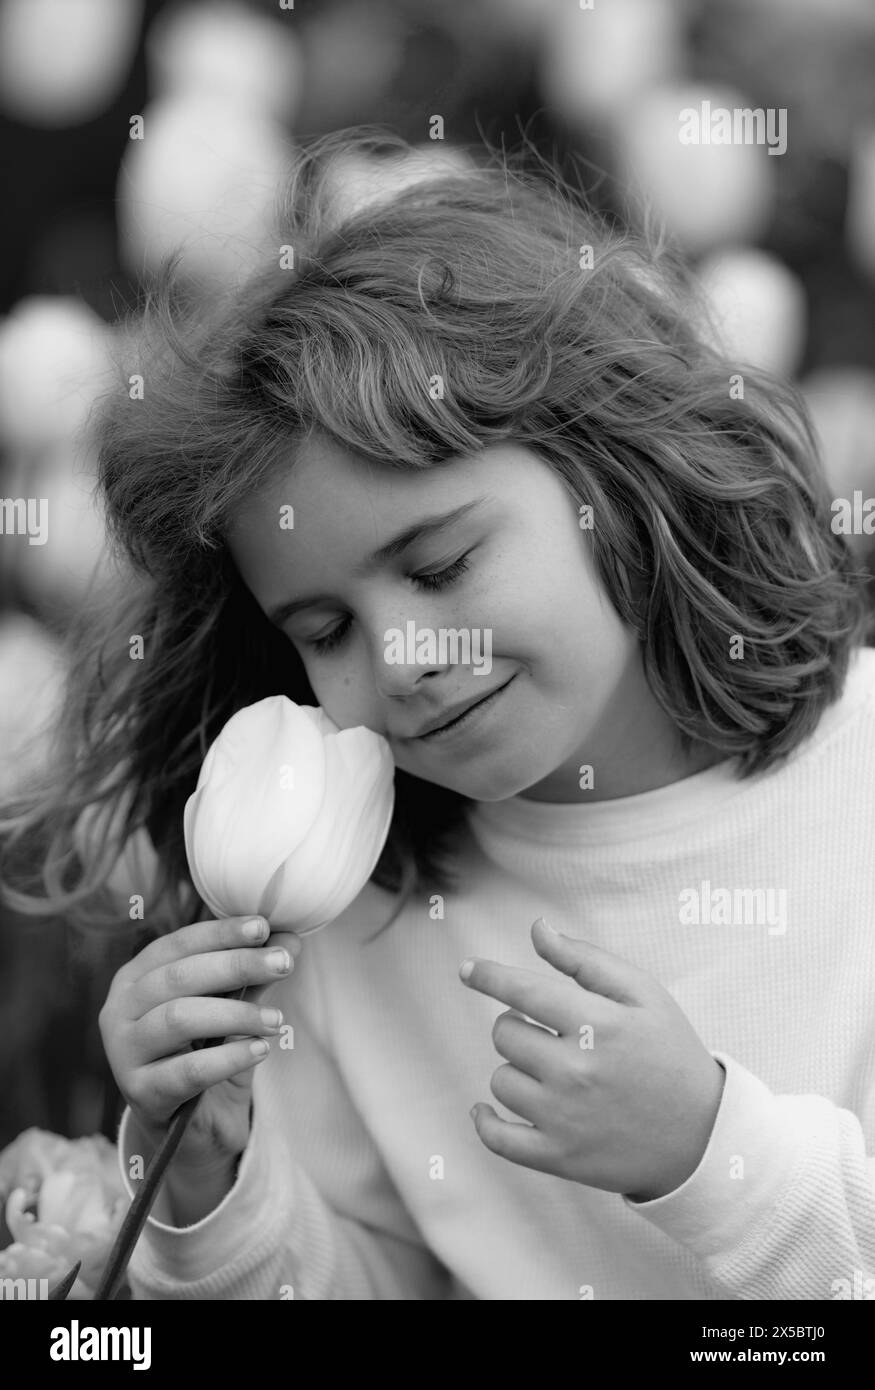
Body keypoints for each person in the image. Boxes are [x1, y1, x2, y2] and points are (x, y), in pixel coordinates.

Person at [2, 129, 874, 1300]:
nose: (405, 660)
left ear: (613, 477)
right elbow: (377, 1279)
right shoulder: (358, 905)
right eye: (324, 632)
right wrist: (211, 1176)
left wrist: (707, 1153)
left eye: (441, 563)